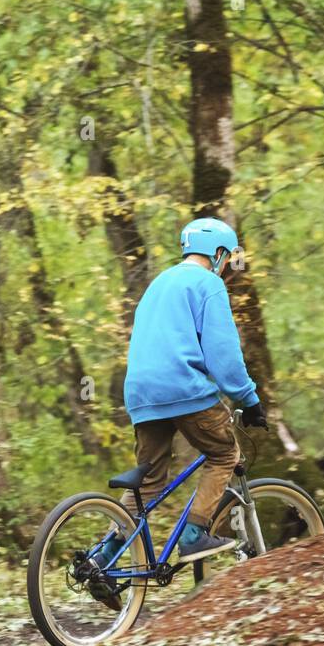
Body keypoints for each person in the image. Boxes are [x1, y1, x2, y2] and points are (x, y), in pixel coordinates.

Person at [102, 217, 268, 564]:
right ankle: (194, 536)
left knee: (147, 480)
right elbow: (224, 356)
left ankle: (105, 555)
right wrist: (249, 399)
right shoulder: (207, 284)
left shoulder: (159, 283)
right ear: (218, 253)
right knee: (225, 454)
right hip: (182, 388)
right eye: (229, 257)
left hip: (141, 393)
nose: (228, 266)